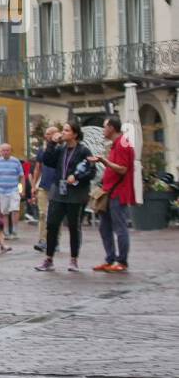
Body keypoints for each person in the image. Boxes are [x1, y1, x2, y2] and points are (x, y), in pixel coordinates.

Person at [35, 121, 95, 273]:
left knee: (74, 227)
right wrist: (51, 143)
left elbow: (91, 171)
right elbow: (47, 160)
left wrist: (77, 177)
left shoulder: (83, 151)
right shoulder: (60, 149)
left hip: (76, 193)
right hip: (58, 191)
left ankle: (73, 259)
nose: (63, 133)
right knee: (52, 224)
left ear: (75, 134)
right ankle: (49, 259)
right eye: (63, 130)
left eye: (67, 130)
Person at [92, 115, 136, 274]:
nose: (103, 130)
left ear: (111, 128)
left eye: (104, 127)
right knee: (104, 227)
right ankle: (110, 258)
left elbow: (123, 169)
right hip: (109, 191)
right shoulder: (115, 144)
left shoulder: (123, 144)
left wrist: (105, 162)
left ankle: (122, 261)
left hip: (118, 192)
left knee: (120, 227)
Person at [32, 124, 61, 252]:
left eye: (50, 133)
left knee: (55, 215)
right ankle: (43, 240)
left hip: (57, 185)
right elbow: (37, 168)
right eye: (47, 133)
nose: (47, 136)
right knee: (43, 214)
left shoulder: (62, 149)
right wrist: (34, 185)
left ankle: (55, 241)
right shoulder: (42, 150)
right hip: (43, 185)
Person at [0, 142, 24, 239]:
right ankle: (6, 231)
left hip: (14, 189)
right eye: (3, 150)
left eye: (7, 150)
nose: (5, 152)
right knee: (4, 212)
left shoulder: (16, 161)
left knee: (15, 209)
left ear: (10, 151)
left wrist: (21, 190)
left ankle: (14, 231)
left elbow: (21, 177)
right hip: (1, 190)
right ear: (0, 152)